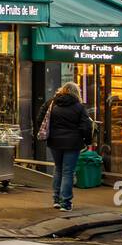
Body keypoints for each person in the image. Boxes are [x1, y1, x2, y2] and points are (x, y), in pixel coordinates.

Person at [37, 81, 94, 212]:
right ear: (76, 93)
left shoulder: (52, 103)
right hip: (73, 143)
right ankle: (66, 203)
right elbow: (86, 126)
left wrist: (50, 133)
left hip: (55, 142)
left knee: (58, 169)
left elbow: (40, 118)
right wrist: (88, 140)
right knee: (68, 172)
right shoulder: (79, 107)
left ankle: (56, 199)